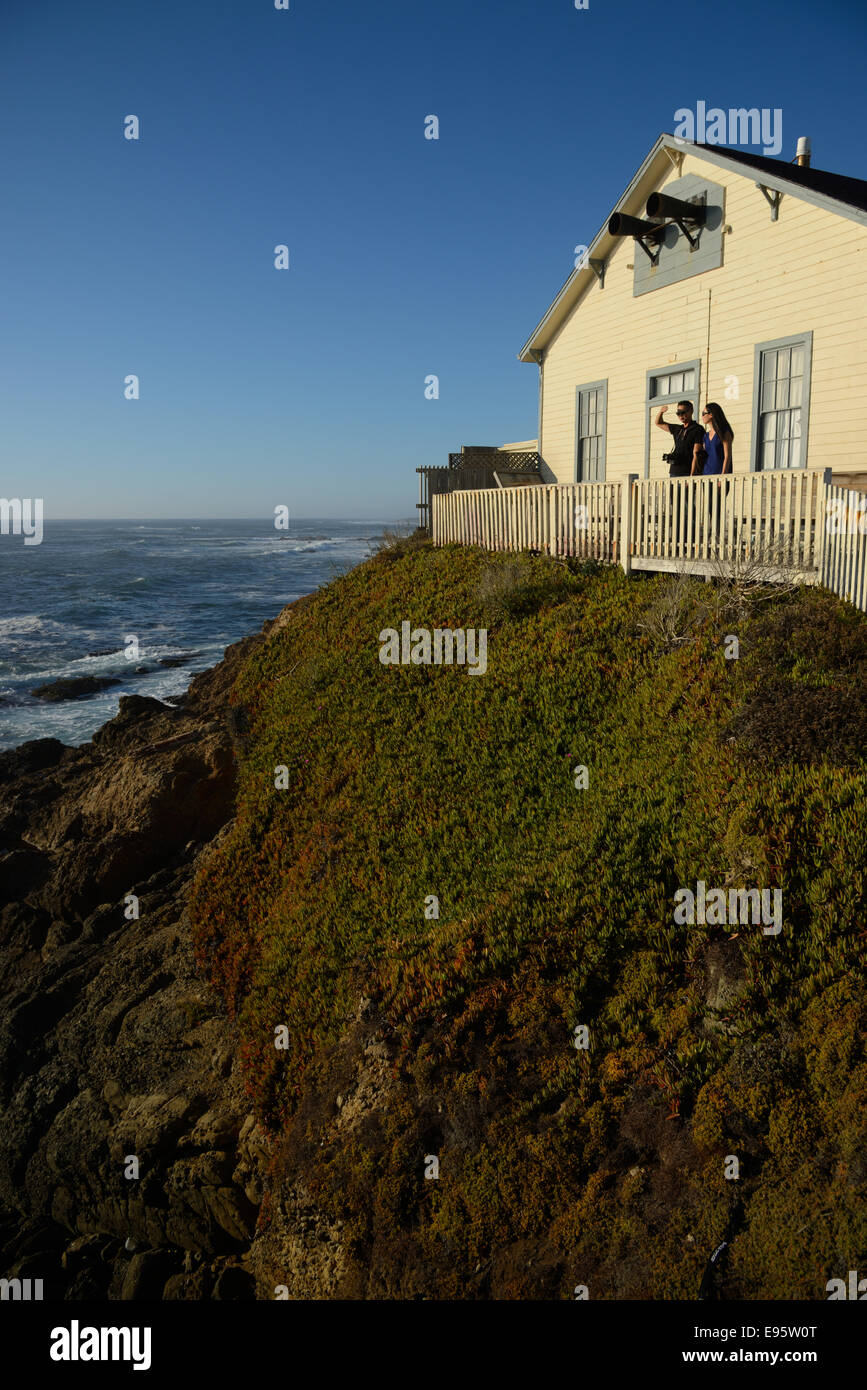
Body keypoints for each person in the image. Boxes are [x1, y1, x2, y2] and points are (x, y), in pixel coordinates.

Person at [654, 400, 705, 478]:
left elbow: (697, 453)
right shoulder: (678, 429)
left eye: (683, 412)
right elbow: (658, 423)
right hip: (674, 471)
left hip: (687, 471)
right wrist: (661, 412)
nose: (681, 415)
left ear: (691, 411)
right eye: (678, 413)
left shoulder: (697, 429)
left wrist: (693, 474)